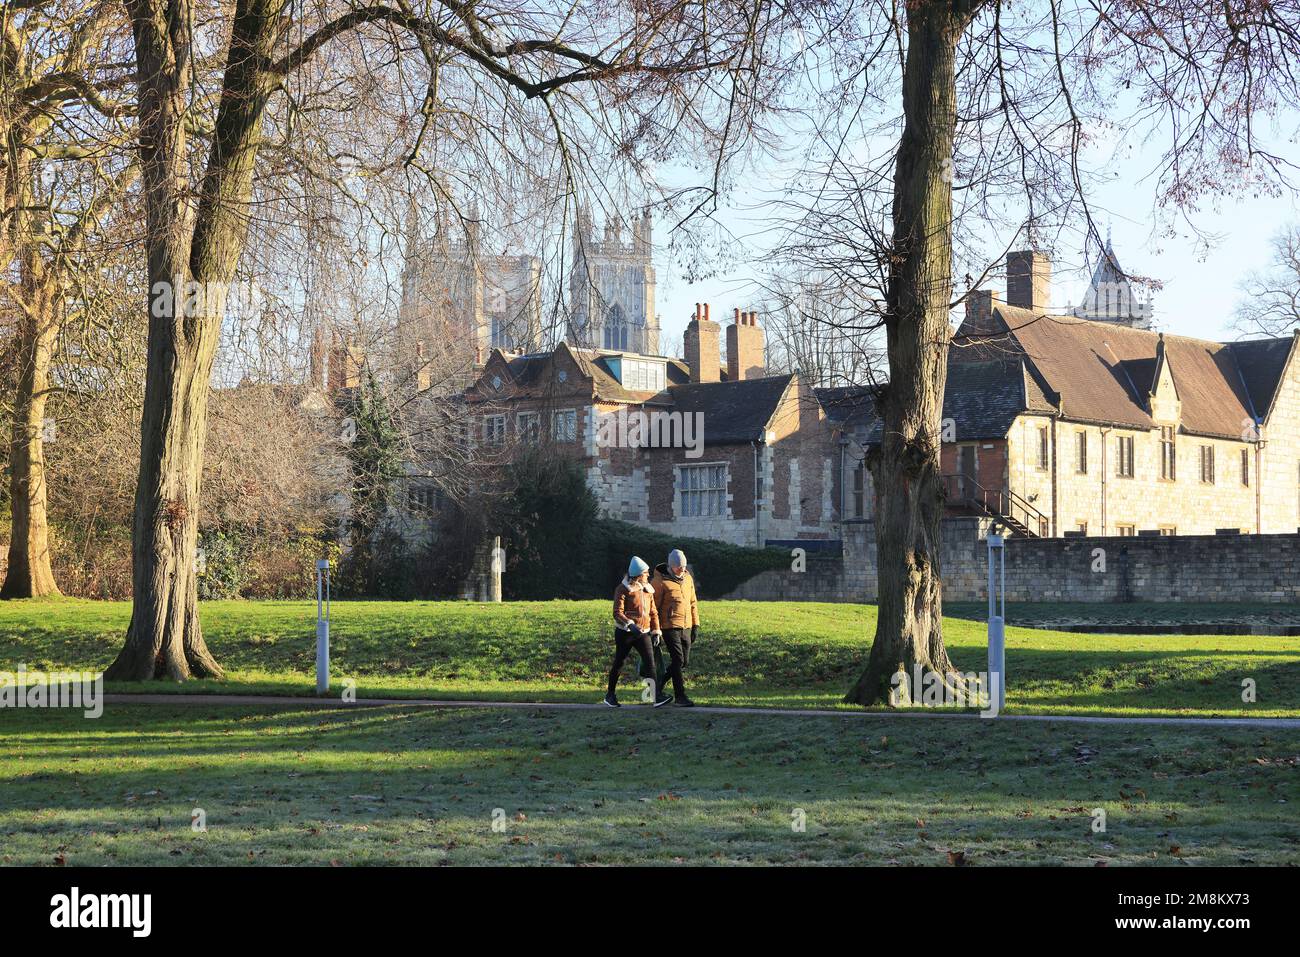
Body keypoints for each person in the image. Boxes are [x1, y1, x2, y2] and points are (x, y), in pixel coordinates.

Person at [605, 556, 672, 708]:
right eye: (646, 573)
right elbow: (617, 612)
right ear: (639, 574)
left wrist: (656, 631)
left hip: (643, 632)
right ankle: (610, 695)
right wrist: (629, 624)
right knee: (619, 662)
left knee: (650, 664)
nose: (648, 575)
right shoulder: (622, 589)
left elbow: (653, 612)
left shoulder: (647, 589)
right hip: (625, 633)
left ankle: (656, 697)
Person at [651, 548, 698, 707]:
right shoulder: (659, 582)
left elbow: (693, 602)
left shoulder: (688, 578)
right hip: (668, 626)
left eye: (684, 567)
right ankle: (680, 696)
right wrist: (655, 629)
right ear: (671, 566)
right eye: (679, 567)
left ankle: (660, 682)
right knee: (677, 659)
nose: (682, 570)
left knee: (683, 661)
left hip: (686, 625)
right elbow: (653, 608)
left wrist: (695, 624)